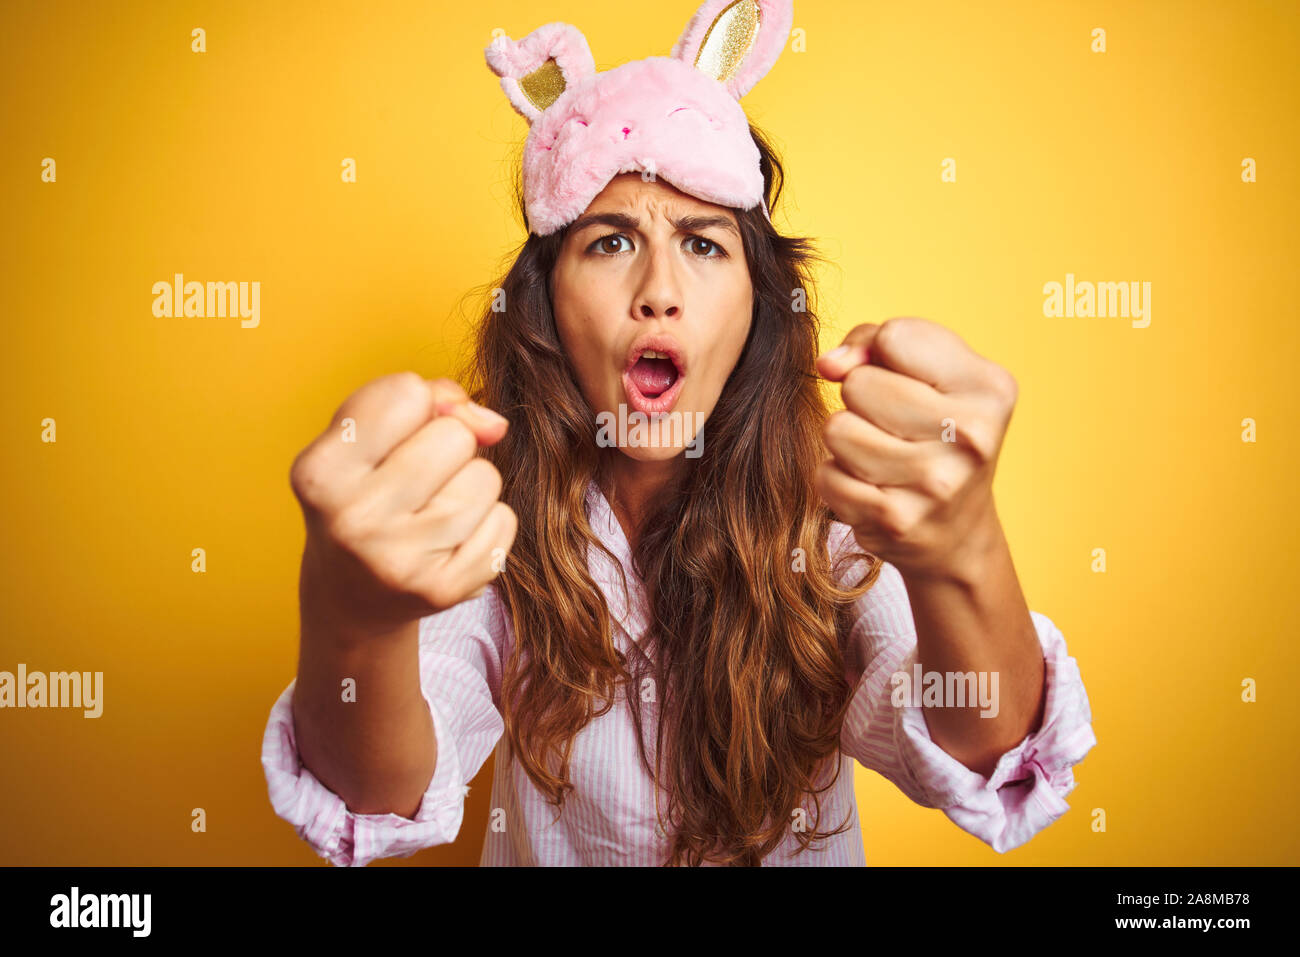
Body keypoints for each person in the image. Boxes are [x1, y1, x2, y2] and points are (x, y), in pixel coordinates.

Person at [261, 0, 1096, 867]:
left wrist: (965, 553)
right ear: (546, 304)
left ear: (755, 310)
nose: (659, 288)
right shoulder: (486, 517)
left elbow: (983, 747)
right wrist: (352, 617)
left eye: (703, 245)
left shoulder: (840, 506)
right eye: (610, 240)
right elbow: (378, 791)